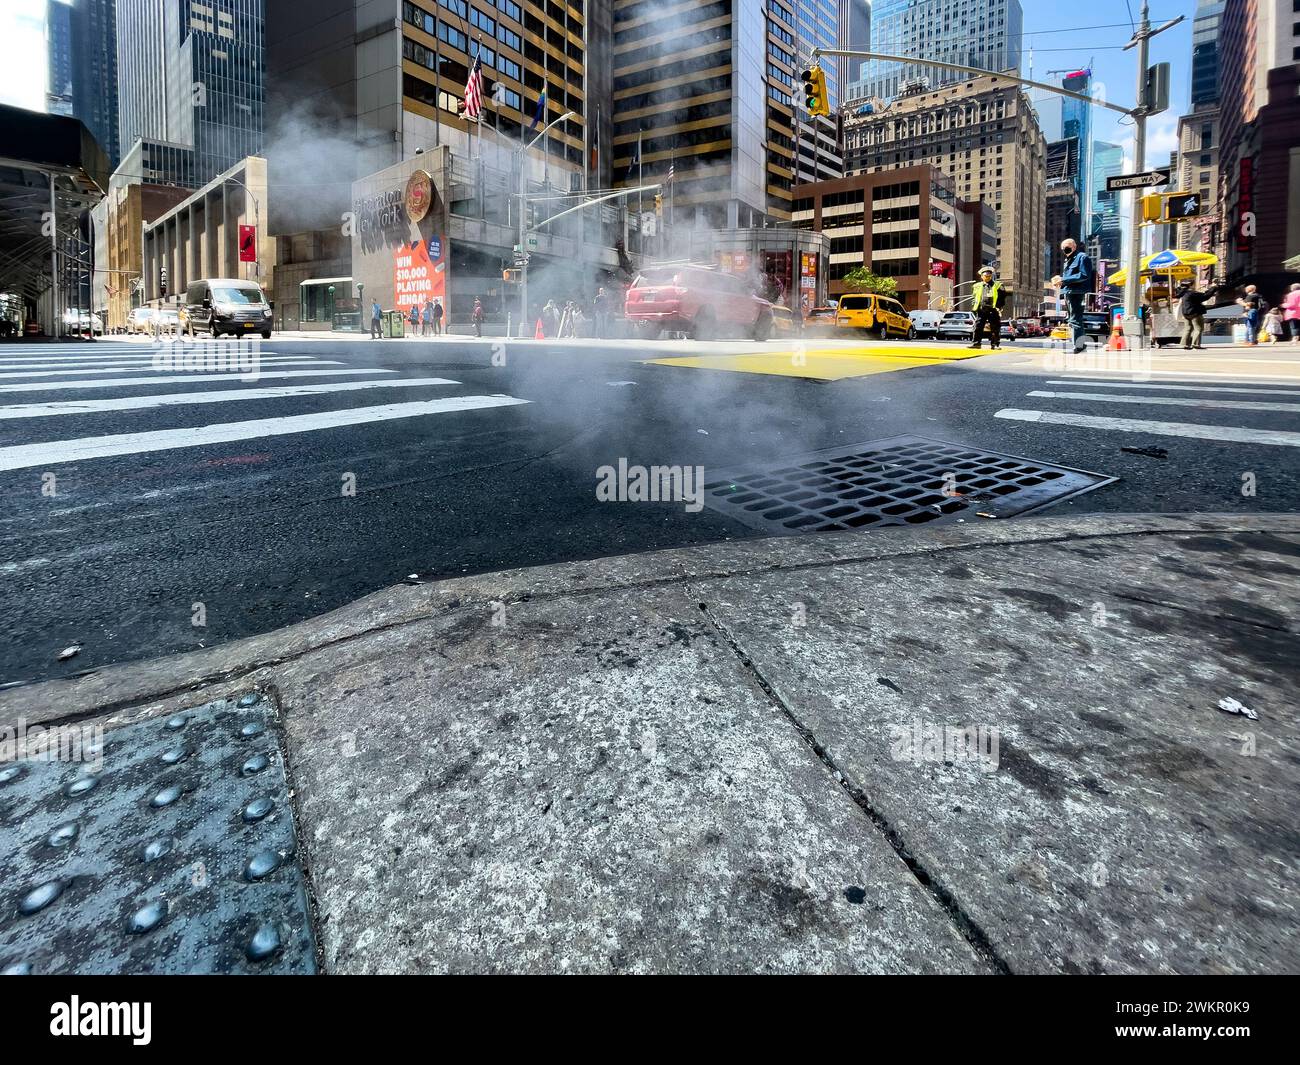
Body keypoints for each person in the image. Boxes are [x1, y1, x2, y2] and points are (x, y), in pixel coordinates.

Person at [1052, 238, 1096, 354]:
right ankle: (1080, 344)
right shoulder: (1068, 260)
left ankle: (1079, 346)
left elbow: (1084, 275)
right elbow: (1068, 279)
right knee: (1073, 320)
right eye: (1063, 248)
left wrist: (1063, 279)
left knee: (1075, 320)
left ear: (1074, 246)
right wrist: (1060, 282)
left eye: (1067, 247)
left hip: (1077, 292)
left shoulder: (1082, 257)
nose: (1065, 250)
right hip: (1069, 292)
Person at [967, 265, 1007, 350]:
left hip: (993, 310)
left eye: (989, 276)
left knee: (995, 327)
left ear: (991, 276)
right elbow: (974, 297)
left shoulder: (998, 285)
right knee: (978, 327)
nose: (987, 278)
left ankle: (995, 345)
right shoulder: (976, 286)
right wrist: (974, 307)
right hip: (981, 309)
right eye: (985, 276)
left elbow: (1002, 297)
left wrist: (999, 307)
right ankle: (976, 343)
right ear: (982, 276)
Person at [1177, 279, 1219, 350]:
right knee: (1198, 329)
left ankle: (1183, 344)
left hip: (1186, 314)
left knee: (1188, 329)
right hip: (1194, 313)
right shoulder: (1192, 293)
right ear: (1191, 285)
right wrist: (1214, 287)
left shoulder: (1183, 293)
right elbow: (1205, 296)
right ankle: (1195, 344)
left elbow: (1201, 295)